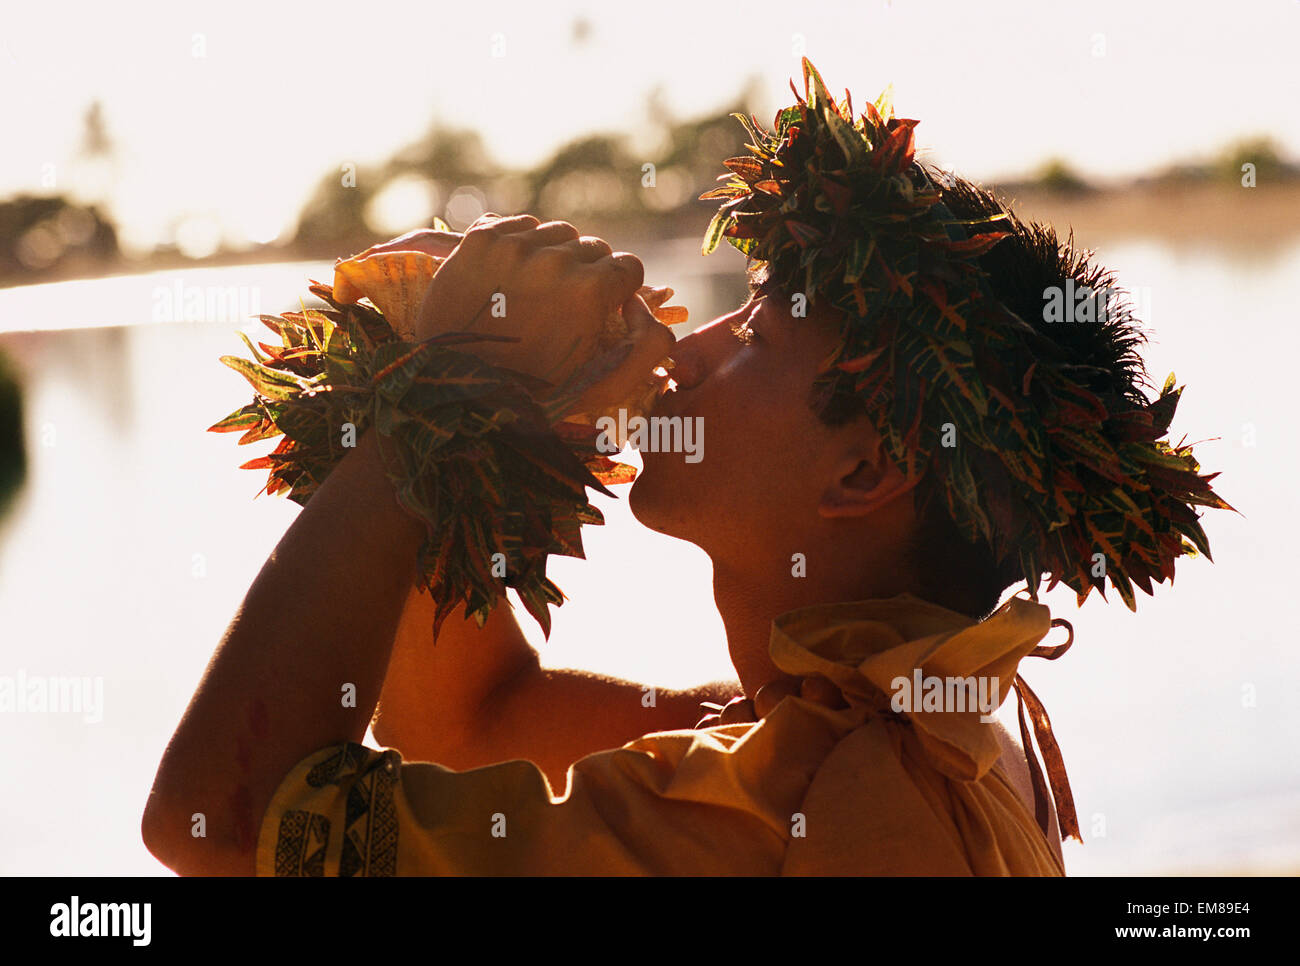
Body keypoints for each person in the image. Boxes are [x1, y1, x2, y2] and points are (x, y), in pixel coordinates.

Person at [142, 62, 1228, 876]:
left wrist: (448, 390)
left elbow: (219, 823)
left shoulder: (784, 802)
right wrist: (445, 393)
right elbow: (468, 716)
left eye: (755, 336)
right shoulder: (932, 715)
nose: (696, 347)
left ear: (865, 472)